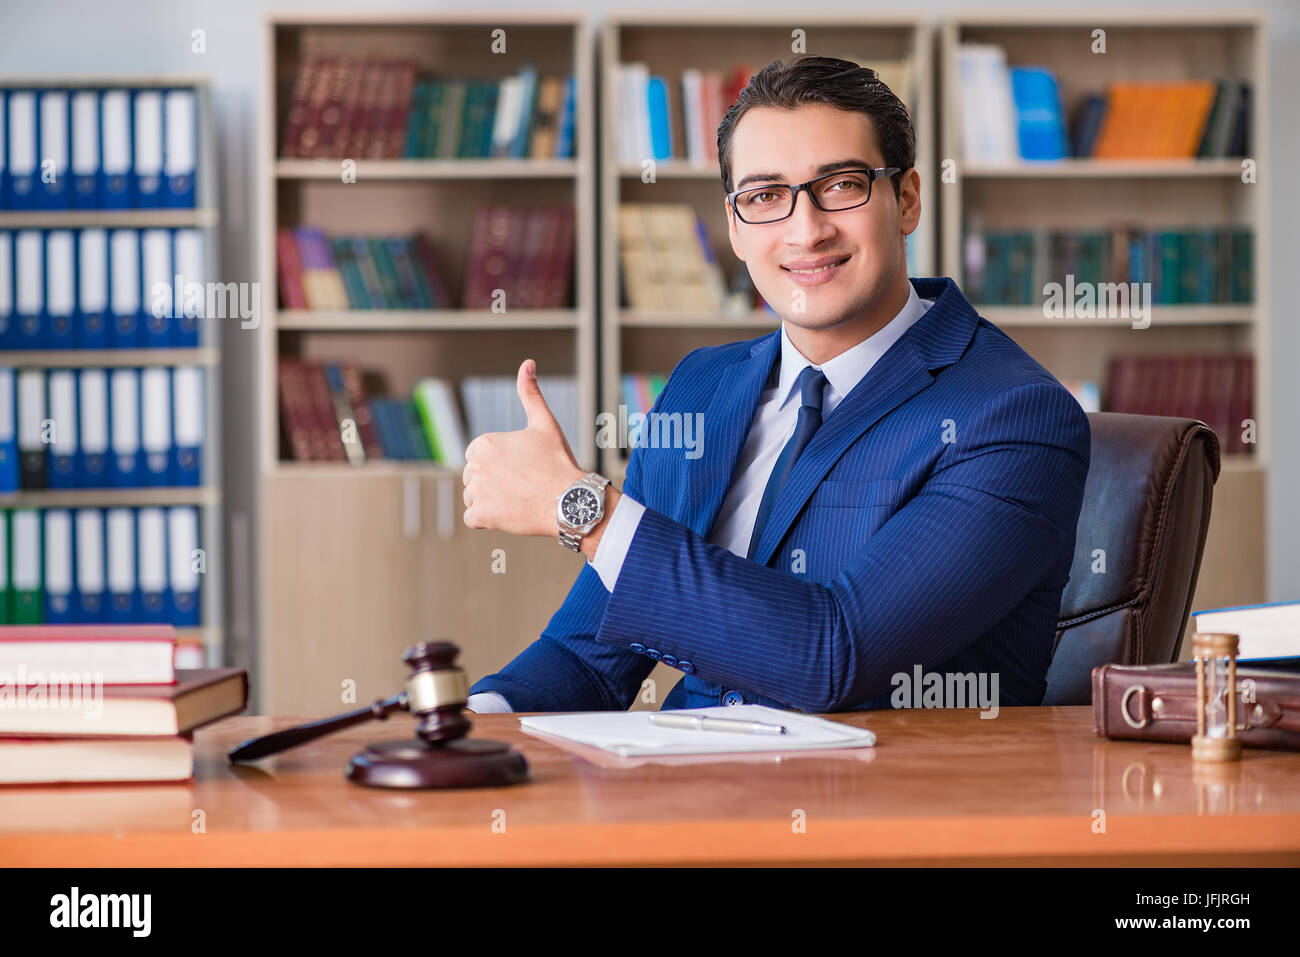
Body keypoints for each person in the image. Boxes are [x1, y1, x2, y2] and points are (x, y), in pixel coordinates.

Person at [460, 54, 1090, 713]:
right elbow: (585, 661)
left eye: (842, 185)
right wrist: (463, 726)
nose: (806, 230)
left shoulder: (1016, 416)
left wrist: (582, 508)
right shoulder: (704, 387)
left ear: (905, 199)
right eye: (765, 197)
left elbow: (833, 654)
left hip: (885, 804)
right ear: (734, 227)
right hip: (685, 796)